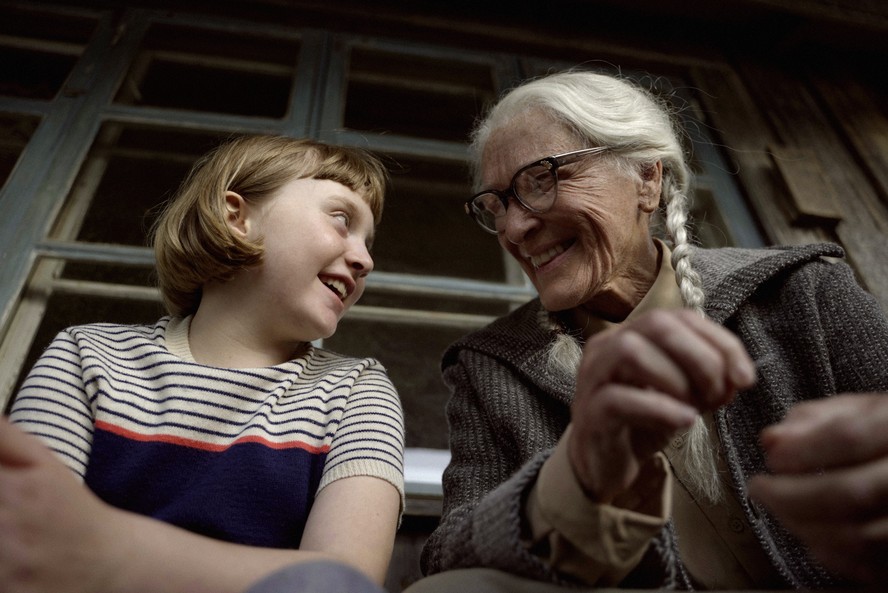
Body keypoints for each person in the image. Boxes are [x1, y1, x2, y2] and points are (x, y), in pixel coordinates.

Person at [410, 70, 888, 591]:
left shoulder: (801, 291)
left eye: (541, 179)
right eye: (495, 204)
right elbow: (448, 560)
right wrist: (570, 479)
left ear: (647, 179)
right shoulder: (488, 365)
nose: (513, 229)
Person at [2, 134, 404, 593]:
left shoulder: (357, 389)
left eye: (369, 242)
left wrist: (110, 552)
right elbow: (21, 547)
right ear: (237, 217)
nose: (365, 260)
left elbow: (341, 584)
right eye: (340, 218)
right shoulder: (86, 355)